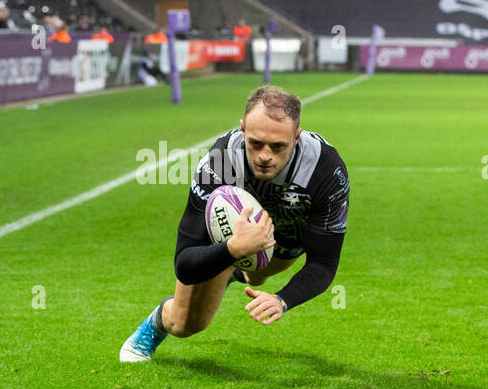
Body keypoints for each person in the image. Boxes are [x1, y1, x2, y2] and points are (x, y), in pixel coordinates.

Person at [120, 85, 350, 362]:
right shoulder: (220, 162)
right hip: (227, 235)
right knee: (185, 324)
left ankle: (234, 271)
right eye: (256, 143)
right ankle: (155, 324)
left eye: (278, 147)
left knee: (257, 275)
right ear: (242, 129)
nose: (265, 155)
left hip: (284, 247)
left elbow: (323, 263)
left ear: (297, 137)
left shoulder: (326, 171)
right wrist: (232, 248)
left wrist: (282, 299)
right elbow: (184, 263)